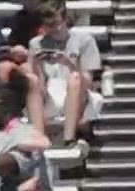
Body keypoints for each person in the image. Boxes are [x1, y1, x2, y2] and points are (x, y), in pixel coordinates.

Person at [28, 0, 102, 147]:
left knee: (74, 78)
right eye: (49, 26)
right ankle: (40, 139)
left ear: (65, 19)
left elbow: (87, 82)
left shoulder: (84, 40)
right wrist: (36, 65)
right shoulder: (36, 44)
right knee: (31, 79)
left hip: (78, 93)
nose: (56, 28)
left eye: (58, 23)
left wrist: (71, 65)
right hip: (50, 93)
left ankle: (69, 138)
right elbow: (39, 84)